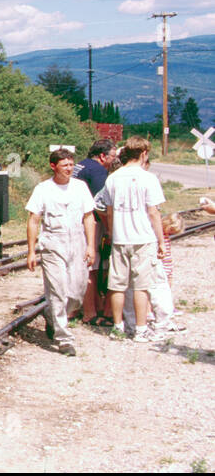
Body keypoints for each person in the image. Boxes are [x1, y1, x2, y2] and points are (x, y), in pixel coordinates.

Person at [26, 148, 96, 356]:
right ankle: (64, 338)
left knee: (76, 292)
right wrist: (31, 251)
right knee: (57, 291)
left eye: (71, 165)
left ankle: (51, 315)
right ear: (53, 166)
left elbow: (88, 218)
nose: (69, 169)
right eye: (64, 165)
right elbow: (33, 220)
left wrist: (91, 246)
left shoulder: (80, 187)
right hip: (52, 243)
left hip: (77, 241)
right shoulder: (43, 189)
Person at [98, 136, 166, 342]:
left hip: (119, 238)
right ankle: (140, 329)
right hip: (143, 238)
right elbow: (153, 213)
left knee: (117, 284)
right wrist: (161, 241)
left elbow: (108, 212)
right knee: (141, 286)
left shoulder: (113, 178)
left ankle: (118, 326)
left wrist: (110, 233)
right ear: (144, 153)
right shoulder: (148, 178)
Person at [73, 139, 115, 324]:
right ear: (102, 156)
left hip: (75, 219)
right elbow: (101, 203)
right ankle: (90, 311)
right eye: (112, 156)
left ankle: (86, 307)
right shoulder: (98, 171)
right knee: (92, 267)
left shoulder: (80, 165)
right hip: (89, 222)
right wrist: (109, 229)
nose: (113, 160)